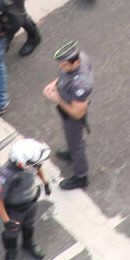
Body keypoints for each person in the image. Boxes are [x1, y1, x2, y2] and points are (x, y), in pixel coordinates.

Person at [0, 137, 51, 260]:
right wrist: (7, 220)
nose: (37, 164)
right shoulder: (7, 174)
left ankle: (28, 243)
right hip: (15, 210)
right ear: (21, 163)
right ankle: (11, 254)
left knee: (29, 225)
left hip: (31, 202)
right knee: (11, 234)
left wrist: (45, 182)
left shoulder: (31, 163)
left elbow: (38, 168)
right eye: (35, 162)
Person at [44, 41, 93, 190]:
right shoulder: (80, 57)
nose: (61, 67)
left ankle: (81, 176)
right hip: (66, 107)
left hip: (72, 115)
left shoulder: (81, 85)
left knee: (76, 145)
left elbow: (78, 113)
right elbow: (64, 74)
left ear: (75, 63)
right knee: (72, 140)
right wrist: (55, 83)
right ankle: (72, 153)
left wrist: (57, 99)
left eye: (64, 65)